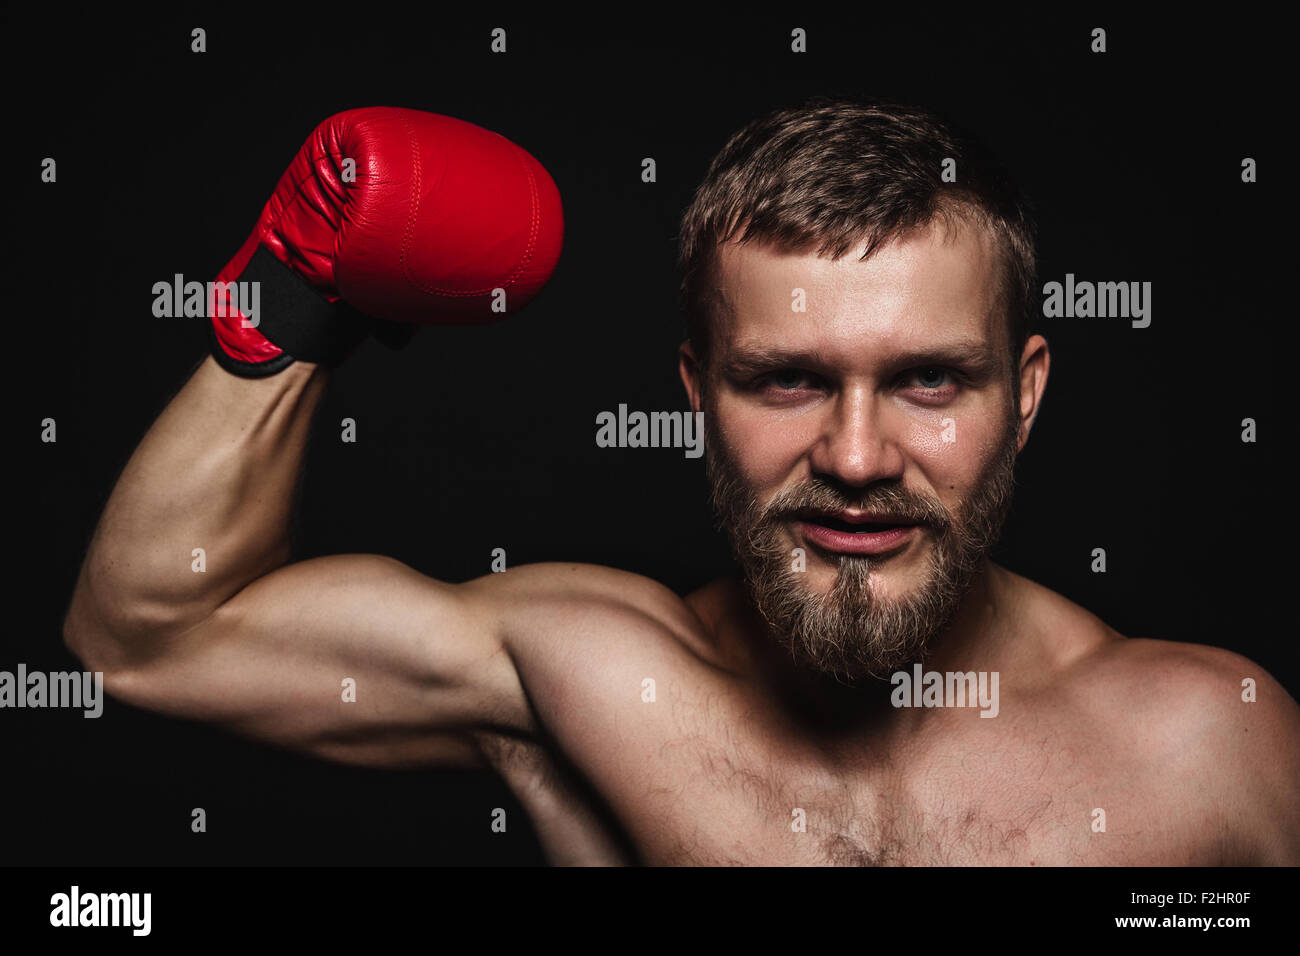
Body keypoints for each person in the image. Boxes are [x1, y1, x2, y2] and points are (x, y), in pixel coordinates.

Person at [64, 100, 1300, 865]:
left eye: (929, 381)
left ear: (1022, 394)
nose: (858, 459)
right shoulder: (588, 676)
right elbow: (149, 636)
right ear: (694, 390)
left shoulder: (1208, 746)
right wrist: (297, 293)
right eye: (784, 381)